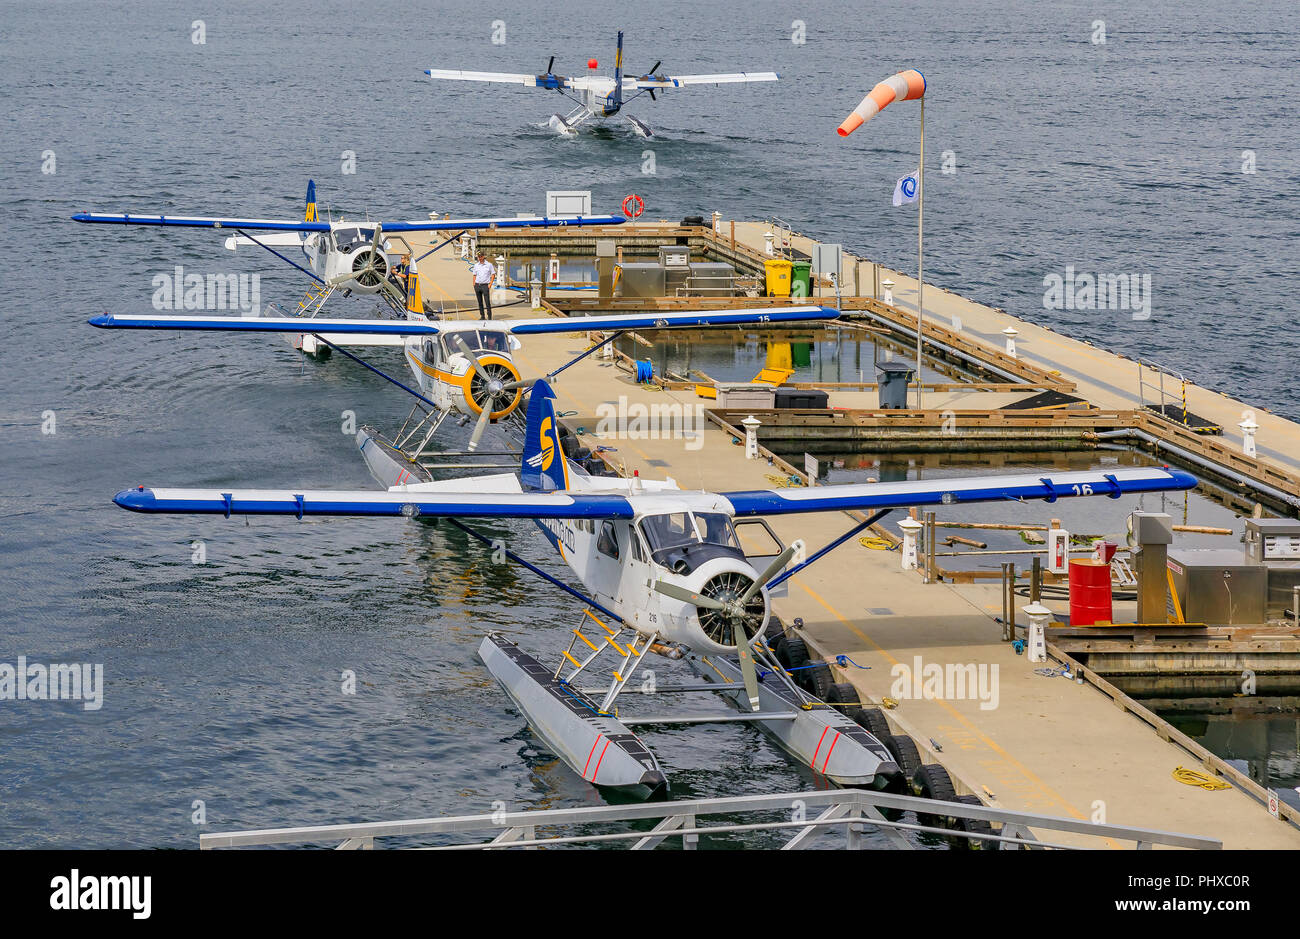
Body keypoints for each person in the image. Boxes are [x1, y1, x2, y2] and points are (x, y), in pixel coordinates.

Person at [471, 251, 496, 320]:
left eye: (481, 256)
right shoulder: (476, 265)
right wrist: (474, 284)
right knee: (480, 302)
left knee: (487, 302)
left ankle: (489, 316)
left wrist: (490, 284)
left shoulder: (489, 265)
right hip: (477, 285)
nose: (479, 258)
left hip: (485, 286)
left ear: (483, 257)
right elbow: (474, 275)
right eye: (478, 257)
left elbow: (493, 274)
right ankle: (482, 316)